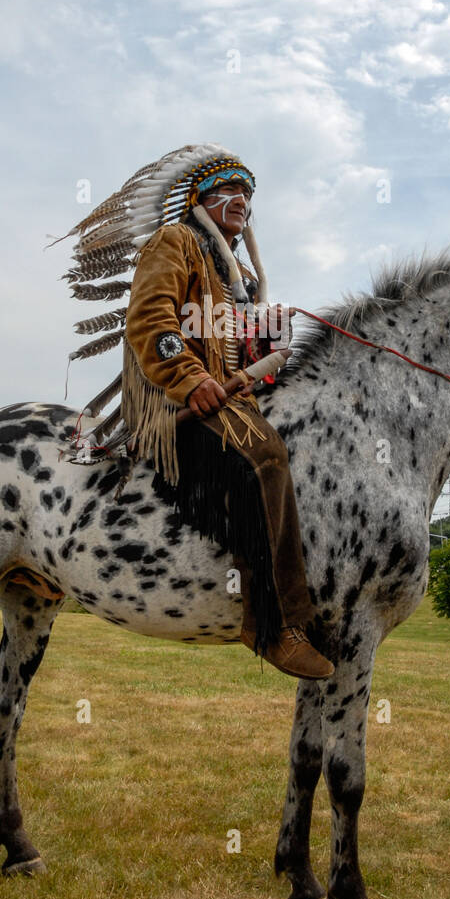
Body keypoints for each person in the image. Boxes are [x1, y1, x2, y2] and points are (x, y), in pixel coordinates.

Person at [120, 154, 334, 679]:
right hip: (177, 406)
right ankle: (273, 625)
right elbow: (150, 318)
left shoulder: (238, 274)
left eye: (249, 194)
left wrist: (268, 348)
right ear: (201, 200)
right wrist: (190, 378)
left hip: (236, 398)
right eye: (229, 189)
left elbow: (241, 346)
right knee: (264, 454)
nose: (243, 201)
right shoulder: (174, 243)